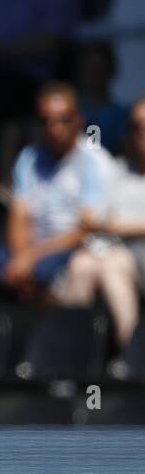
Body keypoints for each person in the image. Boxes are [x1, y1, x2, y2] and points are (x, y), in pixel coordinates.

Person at [2, 82, 112, 302]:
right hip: (26, 251)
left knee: (47, 279)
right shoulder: (28, 158)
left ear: (79, 120)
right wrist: (22, 256)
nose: (54, 127)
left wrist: (31, 257)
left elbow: (85, 231)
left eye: (63, 119)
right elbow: (19, 216)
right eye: (46, 121)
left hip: (69, 251)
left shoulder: (96, 163)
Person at [61, 98, 145, 350]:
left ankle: (132, 354)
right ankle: (73, 353)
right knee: (80, 265)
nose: (142, 134)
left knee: (113, 265)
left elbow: (102, 223)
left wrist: (110, 226)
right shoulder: (116, 170)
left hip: (129, 258)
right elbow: (90, 217)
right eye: (137, 127)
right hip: (118, 253)